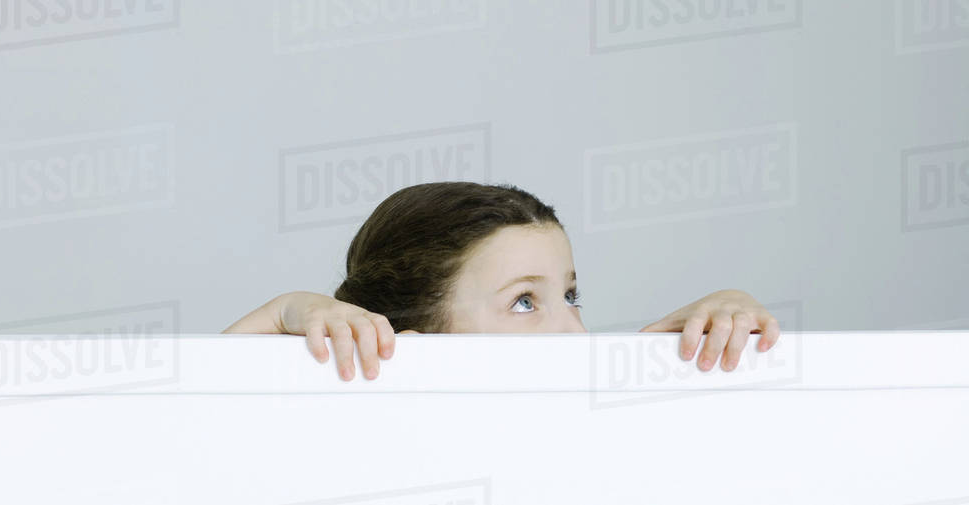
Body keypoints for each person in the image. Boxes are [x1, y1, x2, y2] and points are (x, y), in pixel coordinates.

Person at [224, 181, 780, 381]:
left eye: (570, 295)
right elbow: (186, 440)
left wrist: (727, 325)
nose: (572, 331)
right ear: (415, 340)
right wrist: (285, 311)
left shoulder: (601, 408)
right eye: (523, 302)